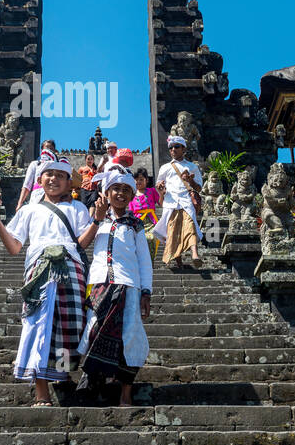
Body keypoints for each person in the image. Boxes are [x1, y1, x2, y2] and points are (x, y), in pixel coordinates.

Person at [0, 159, 100, 407]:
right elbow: (14, 247)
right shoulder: (29, 210)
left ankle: (62, 375)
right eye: (48, 174)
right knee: (39, 326)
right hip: (39, 270)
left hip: (71, 268)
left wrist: (96, 220)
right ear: (39, 180)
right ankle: (41, 392)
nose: (53, 179)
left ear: (68, 182)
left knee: (71, 325)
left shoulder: (78, 208)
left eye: (60, 175)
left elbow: (82, 244)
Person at [79, 168, 152, 407]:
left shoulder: (136, 225)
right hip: (99, 285)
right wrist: (97, 218)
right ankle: (97, 385)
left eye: (125, 190)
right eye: (115, 189)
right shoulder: (96, 219)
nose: (120, 194)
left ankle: (125, 393)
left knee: (130, 339)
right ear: (106, 192)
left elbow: (144, 261)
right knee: (94, 332)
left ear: (132, 195)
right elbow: (81, 245)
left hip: (128, 285)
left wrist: (146, 291)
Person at [153, 135, 204, 270]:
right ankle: (179, 262)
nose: (173, 149)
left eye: (176, 147)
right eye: (171, 147)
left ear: (184, 149)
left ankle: (195, 254)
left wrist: (190, 181)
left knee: (190, 226)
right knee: (173, 231)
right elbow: (158, 184)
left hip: (186, 200)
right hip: (170, 201)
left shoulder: (191, 167)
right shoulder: (165, 167)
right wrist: (160, 188)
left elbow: (199, 187)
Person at [16, 140, 58, 211]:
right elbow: (27, 185)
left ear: (55, 151)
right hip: (37, 197)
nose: (48, 150)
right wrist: (20, 203)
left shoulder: (58, 166)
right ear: (42, 150)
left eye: (51, 149)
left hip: (53, 198)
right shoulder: (35, 164)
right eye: (46, 148)